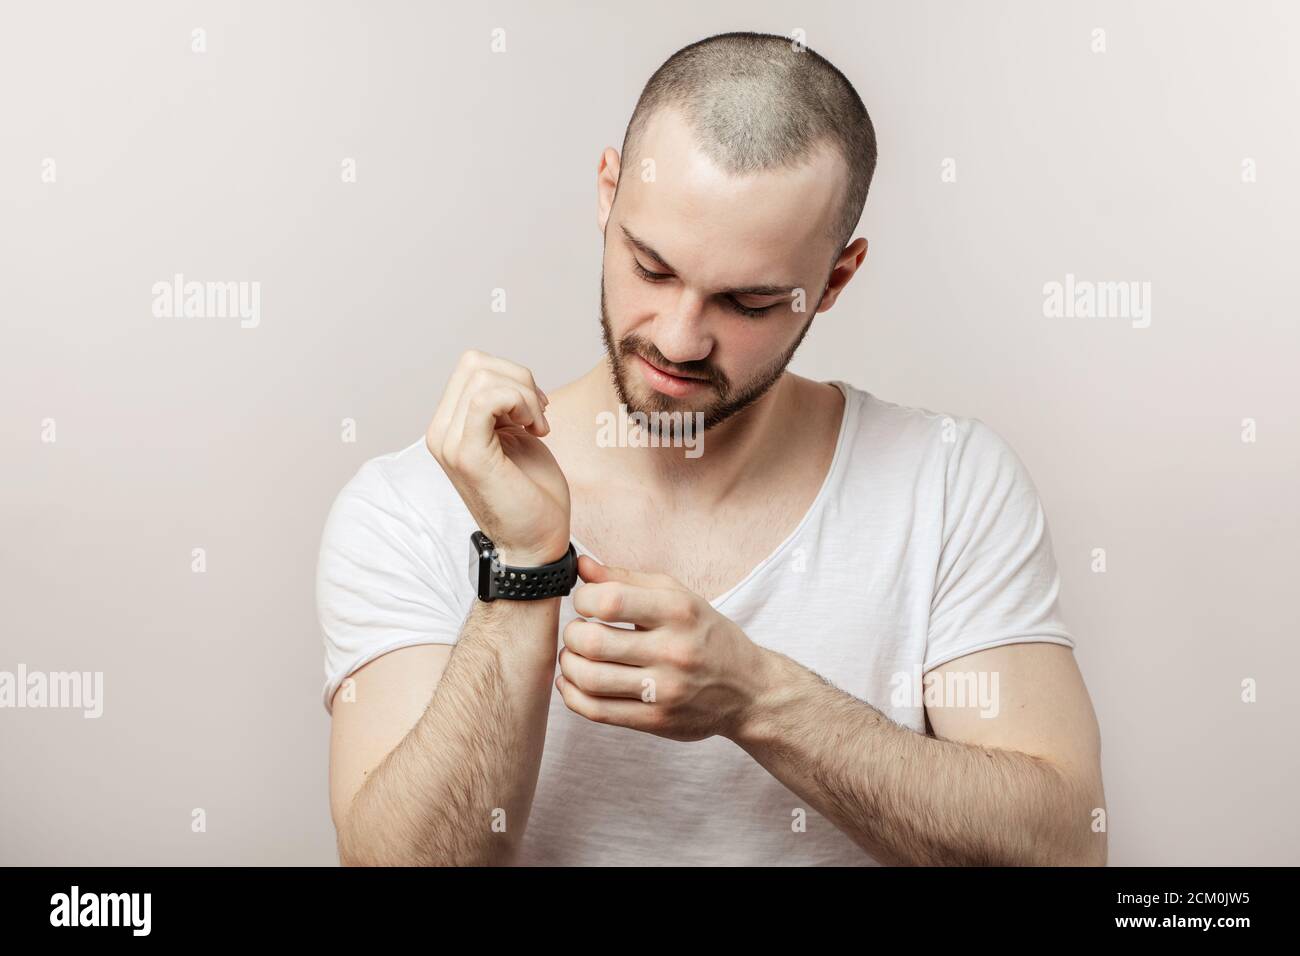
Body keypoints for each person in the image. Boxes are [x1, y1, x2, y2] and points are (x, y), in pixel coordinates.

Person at [316, 31, 1106, 866]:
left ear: (835, 280)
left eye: (749, 301)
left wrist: (759, 698)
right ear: (608, 192)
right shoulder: (413, 504)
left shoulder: (948, 485)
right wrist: (521, 566)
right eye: (651, 269)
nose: (681, 340)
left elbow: (1063, 851)